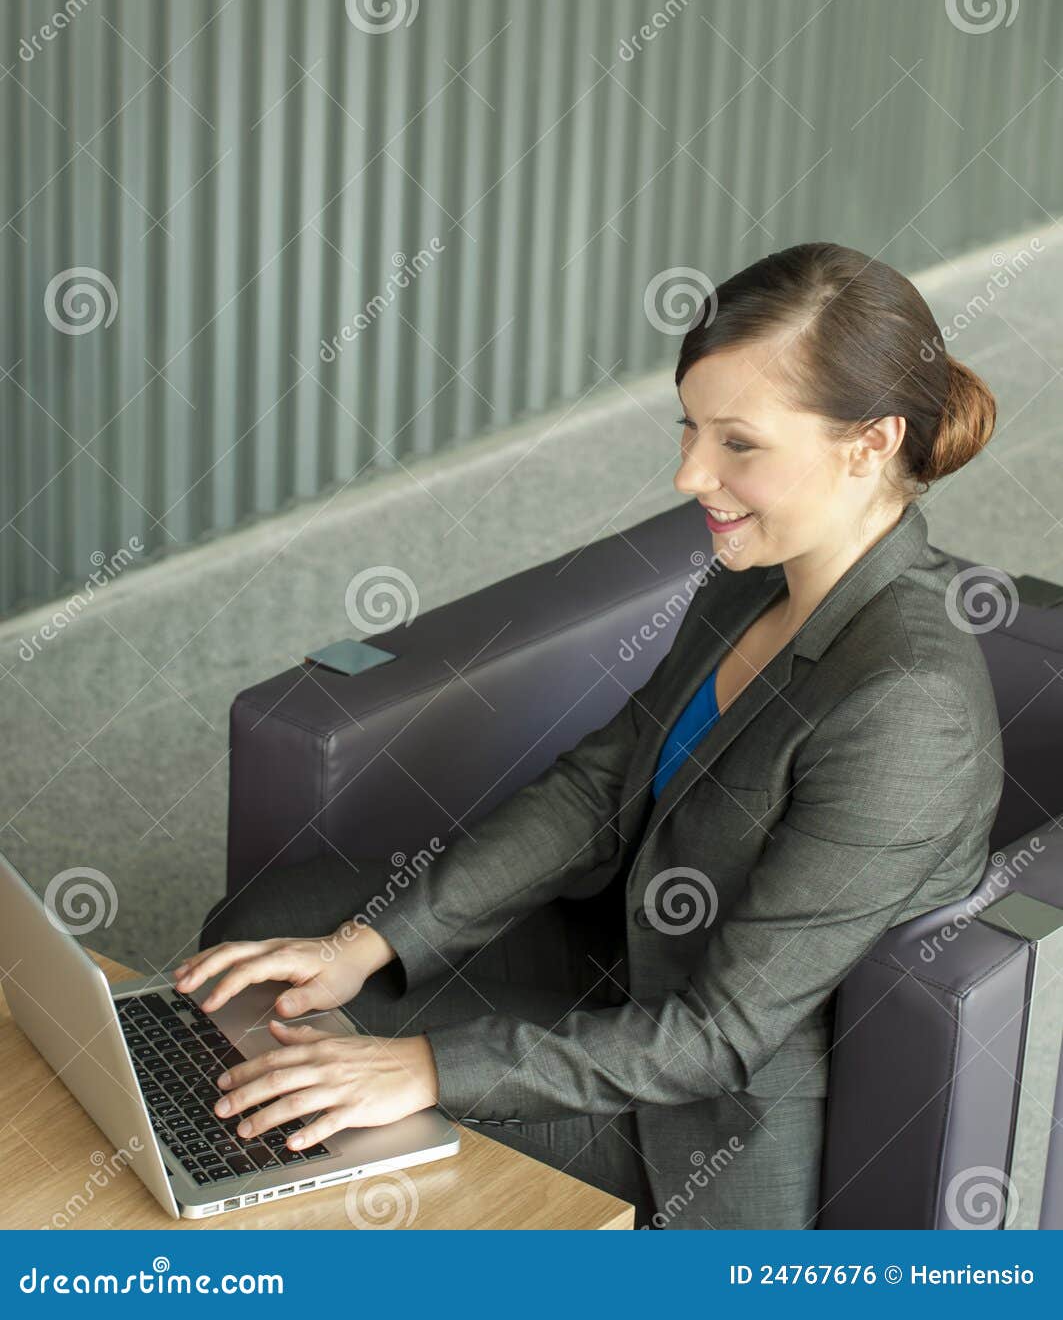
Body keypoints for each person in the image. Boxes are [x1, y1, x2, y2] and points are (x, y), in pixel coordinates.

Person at [178, 240, 1004, 1230]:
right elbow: (596, 788)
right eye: (690, 429)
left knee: (318, 1083)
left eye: (736, 442)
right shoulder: (756, 570)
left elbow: (720, 1035)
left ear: (868, 442)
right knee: (269, 930)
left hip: (698, 1111)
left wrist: (426, 1068)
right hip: (620, 947)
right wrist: (367, 944)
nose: (690, 471)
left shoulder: (907, 706)